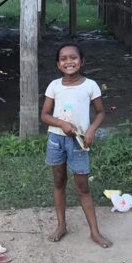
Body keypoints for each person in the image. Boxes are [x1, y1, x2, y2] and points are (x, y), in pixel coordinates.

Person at [40, 43, 111, 248]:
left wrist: (91, 130)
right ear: (58, 64)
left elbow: (100, 112)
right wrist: (61, 123)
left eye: (73, 58)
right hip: (56, 140)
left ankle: (94, 232)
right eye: (64, 58)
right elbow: (44, 115)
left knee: (83, 186)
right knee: (59, 181)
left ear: (82, 61)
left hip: (79, 141)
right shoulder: (54, 86)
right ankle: (61, 226)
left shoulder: (90, 85)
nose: (69, 62)